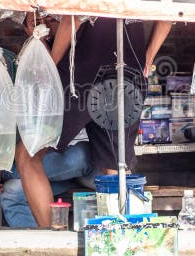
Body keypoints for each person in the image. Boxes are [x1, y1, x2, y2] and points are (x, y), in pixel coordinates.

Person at [15, 17, 172, 227]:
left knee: (28, 154)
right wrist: (148, 57)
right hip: (129, 66)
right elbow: (169, 15)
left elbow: (73, 17)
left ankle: (52, 237)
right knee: (116, 167)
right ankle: (121, 240)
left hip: (80, 67)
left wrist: (50, 65)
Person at [0, 138, 95, 227]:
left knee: (78, 157)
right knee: (9, 192)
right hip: (66, 175)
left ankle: (3, 173)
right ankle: (38, 251)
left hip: (95, 166)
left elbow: (83, 157)